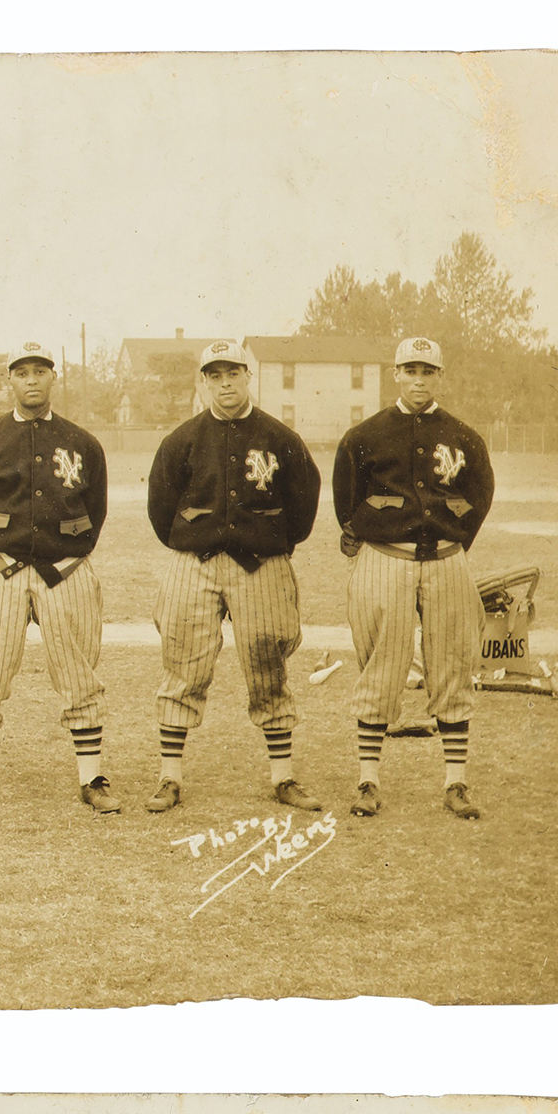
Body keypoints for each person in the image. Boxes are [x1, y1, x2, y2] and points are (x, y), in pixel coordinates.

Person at [145, 344, 322, 814]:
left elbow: (303, 507)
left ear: (248, 376)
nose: (225, 383)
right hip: (194, 561)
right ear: (204, 381)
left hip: (260, 563)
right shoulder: (182, 439)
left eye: (233, 373)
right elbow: (161, 509)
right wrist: (193, 539)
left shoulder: (280, 437)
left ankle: (283, 777)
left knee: (269, 664)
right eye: (215, 375)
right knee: (182, 664)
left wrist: (270, 540)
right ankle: (169, 777)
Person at [0, 349, 116, 813]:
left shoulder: (82, 442)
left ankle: (91, 779)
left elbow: (95, 508)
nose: (32, 380)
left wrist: (70, 550)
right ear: (10, 382)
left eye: (40, 371)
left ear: (53, 377)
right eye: (22, 373)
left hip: (66, 569)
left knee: (80, 674)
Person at [333, 339, 495, 823]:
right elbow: (347, 501)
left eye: (428, 371)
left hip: (446, 560)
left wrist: (454, 540)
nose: (419, 379)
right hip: (385, 559)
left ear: (440, 376)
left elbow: (479, 496)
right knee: (379, 666)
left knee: (453, 663)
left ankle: (455, 783)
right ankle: (368, 781)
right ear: (396, 374)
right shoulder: (365, 435)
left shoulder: (464, 437)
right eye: (411, 370)